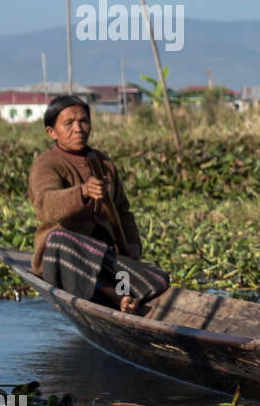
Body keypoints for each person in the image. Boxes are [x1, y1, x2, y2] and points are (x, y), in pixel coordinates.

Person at [29, 95, 169, 314]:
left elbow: (122, 210)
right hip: (66, 260)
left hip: (105, 260)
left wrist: (133, 244)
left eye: (83, 121)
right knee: (59, 240)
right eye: (69, 123)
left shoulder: (103, 163)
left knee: (159, 277)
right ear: (52, 132)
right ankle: (119, 296)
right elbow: (46, 205)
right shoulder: (47, 164)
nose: (78, 128)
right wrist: (82, 192)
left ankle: (123, 294)